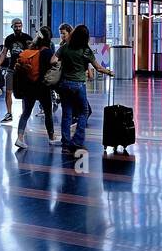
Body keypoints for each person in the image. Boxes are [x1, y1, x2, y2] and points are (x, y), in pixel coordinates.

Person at [55, 24, 114, 154]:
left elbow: (52, 61)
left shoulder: (65, 47)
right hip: (78, 85)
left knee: (67, 114)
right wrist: (109, 72)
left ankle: (65, 144)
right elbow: (98, 67)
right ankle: (77, 141)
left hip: (64, 84)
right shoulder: (86, 50)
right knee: (84, 112)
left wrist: (64, 63)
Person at [13, 29, 56, 149]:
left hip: (28, 86)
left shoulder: (30, 50)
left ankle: (20, 138)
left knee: (26, 113)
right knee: (48, 112)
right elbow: (54, 65)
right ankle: (51, 138)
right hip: (42, 87)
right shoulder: (47, 52)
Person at [0, 18, 32, 123]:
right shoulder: (9, 39)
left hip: (23, 69)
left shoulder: (27, 38)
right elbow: (3, 53)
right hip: (11, 68)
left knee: (24, 92)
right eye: (16, 26)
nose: (18, 28)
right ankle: (9, 113)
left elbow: (32, 53)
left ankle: (25, 113)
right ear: (12, 27)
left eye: (20, 26)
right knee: (8, 91)